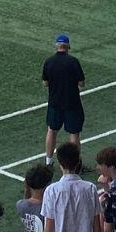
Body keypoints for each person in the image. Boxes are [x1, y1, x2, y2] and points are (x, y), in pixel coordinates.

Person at [41, 143, 101, 232]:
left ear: (59, 163)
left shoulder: (51, 191)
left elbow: (48, 230)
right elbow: (96, 227)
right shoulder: (90, 189)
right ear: (78, 161)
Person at [43, 35, 86, 164]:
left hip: (54, 102)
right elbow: (82, 83)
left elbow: (45, 83)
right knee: (74, 133)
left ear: (56, 46)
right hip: (72, 102)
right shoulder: (73, 61)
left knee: (52, 130)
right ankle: (74, 164)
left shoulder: (49, 61)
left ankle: (48, 161)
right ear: (68, 46)